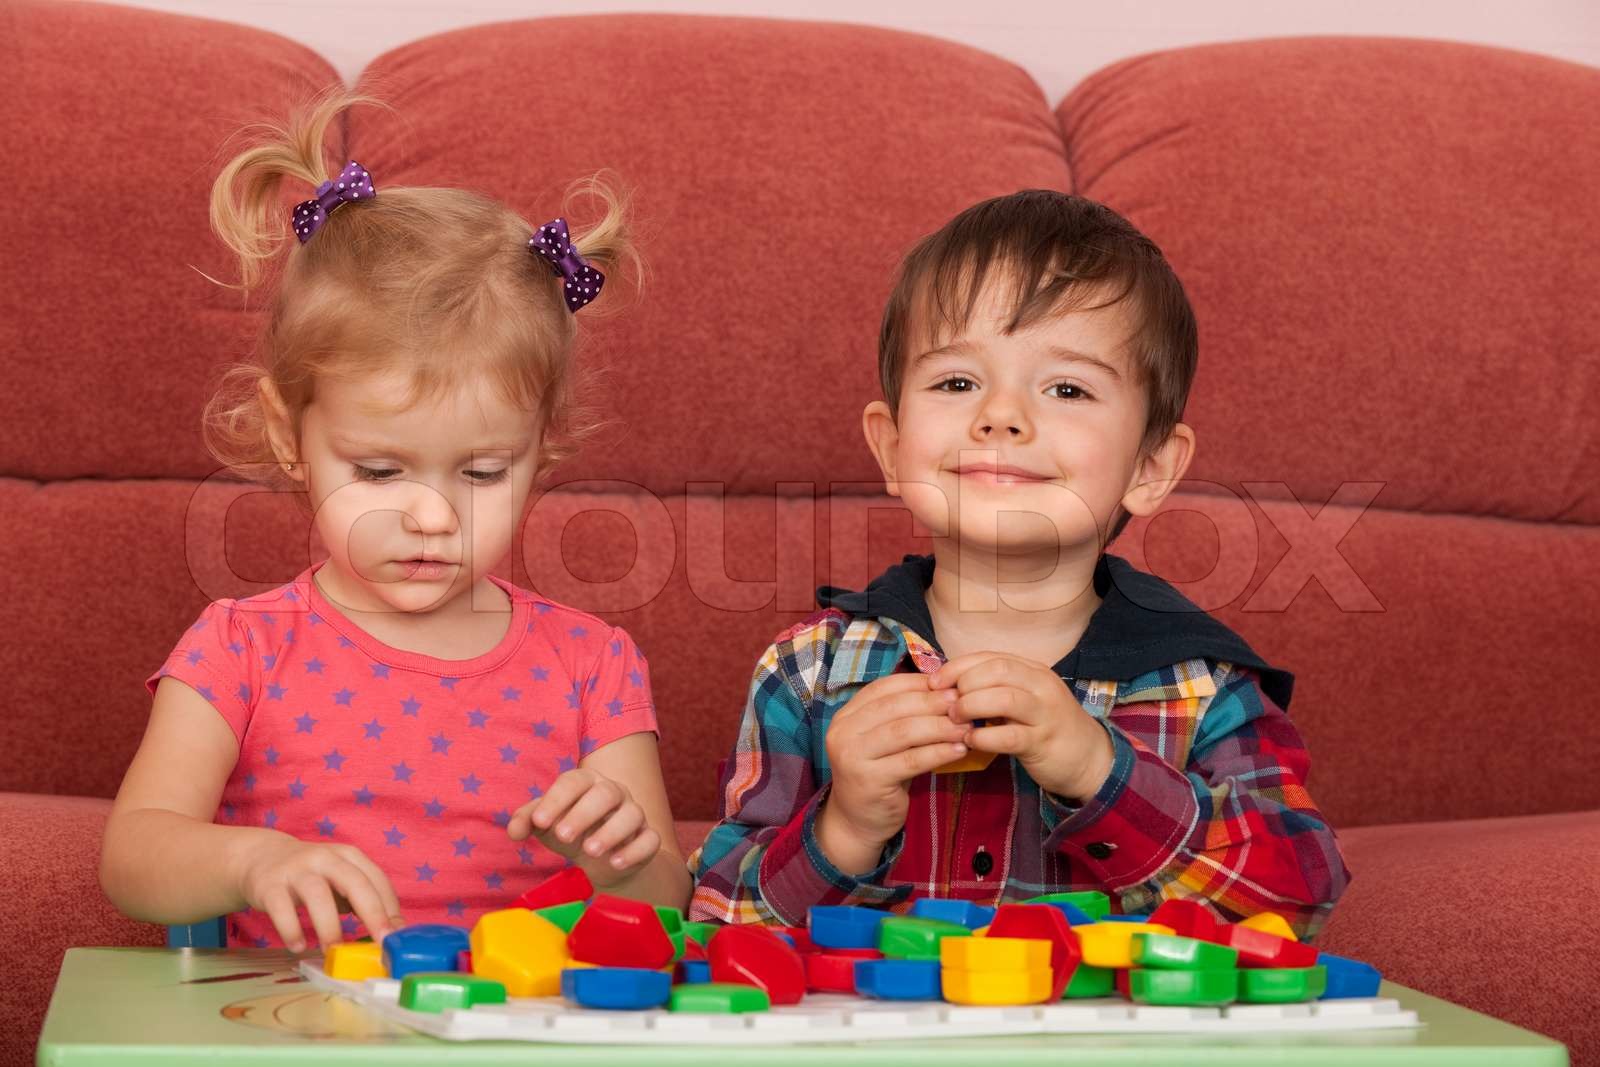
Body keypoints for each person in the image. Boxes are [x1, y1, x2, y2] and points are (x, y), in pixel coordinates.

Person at [100, 89, 688, 952]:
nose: (430, 515)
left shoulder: (590, 665)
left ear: (542, 451)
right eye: (378, 470)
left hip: (516, 1027)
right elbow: (132, 854)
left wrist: (621, 859)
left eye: (484, 471)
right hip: (293, 1025)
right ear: (287, 435)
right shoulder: (238, 648)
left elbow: (666, 895)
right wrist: (252, 861)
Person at [691, 190, 1349, 938]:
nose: (1000, 416)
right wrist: (843, 827)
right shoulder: (811, 669)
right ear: (889, 445)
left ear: (1151, 466)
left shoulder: (1201, 685)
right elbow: (714, 925)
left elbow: (1298, 902)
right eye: (957, 382)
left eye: (1067, 388)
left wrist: (1101, 771)